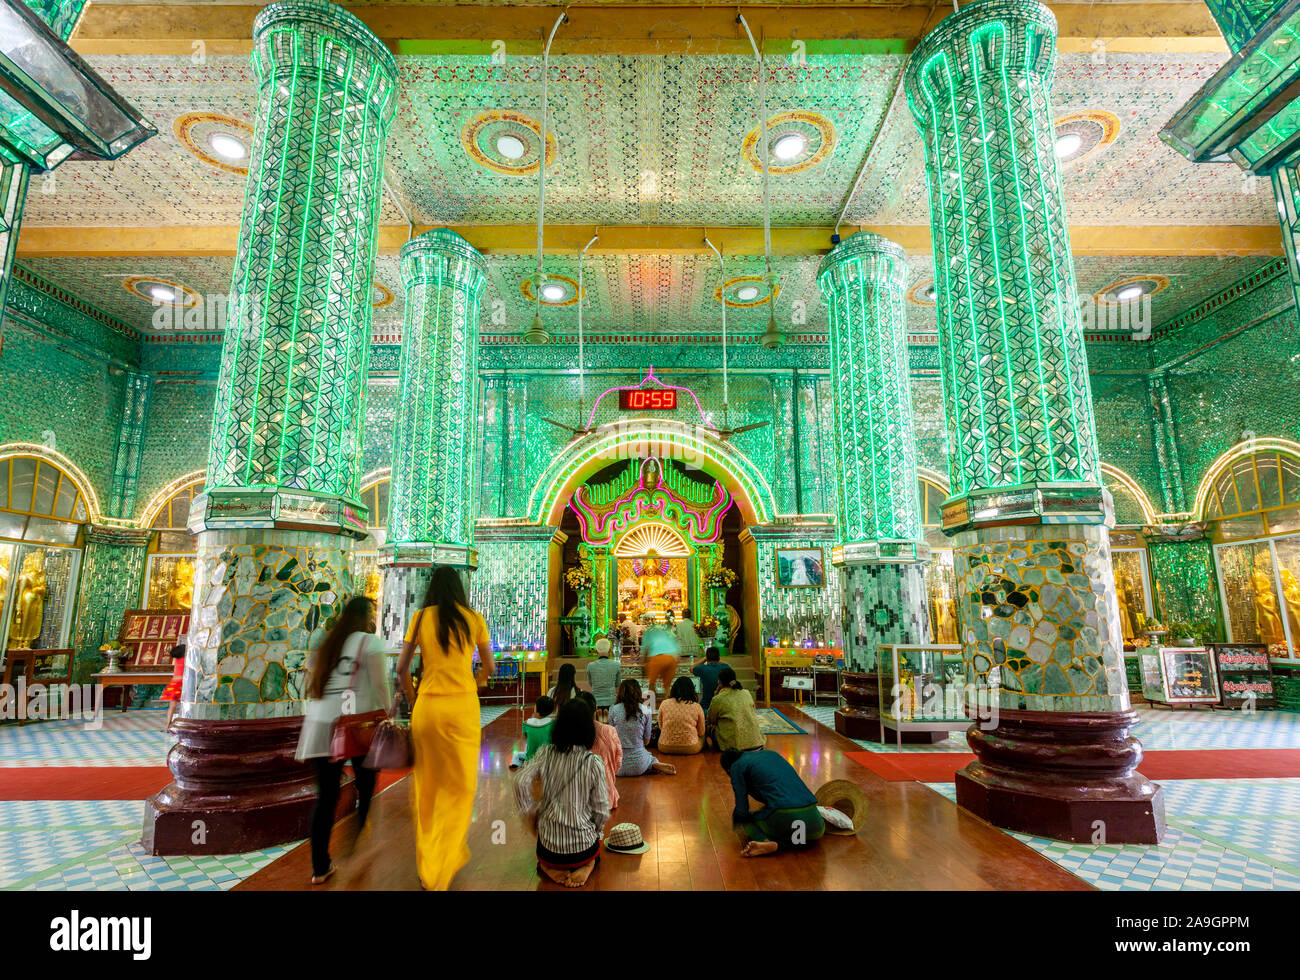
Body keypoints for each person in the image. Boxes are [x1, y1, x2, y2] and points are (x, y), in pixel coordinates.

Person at [396, 566, 494, 891]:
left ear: (433, 588)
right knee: (461, 788)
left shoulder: (421, 617)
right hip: (462, 708)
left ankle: (429, 867)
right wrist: (472, 685)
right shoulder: (474, 618)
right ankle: (445, 862)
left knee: (427, 788)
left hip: (428, 707)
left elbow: (400, 669)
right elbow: (489, 667)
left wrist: (413, 698)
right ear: (460, 588)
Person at [296, 596, 390, 885]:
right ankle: (357, 839)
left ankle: (319, 866)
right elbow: (380, 684)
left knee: (326, 797)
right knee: (366, 784)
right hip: (356, 725)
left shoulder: (328, 642)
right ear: (365, 616)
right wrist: (388, 717)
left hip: (320, 723)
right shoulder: (369, 642)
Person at [514, 698, 610, 888]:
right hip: (583, 849)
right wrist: (596, 832)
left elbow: (519, 780)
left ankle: (548, 868)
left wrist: (530, 812)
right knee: (597, 846)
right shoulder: (593, 762)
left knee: (543, 856)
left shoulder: (545, 753)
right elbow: (601, 810)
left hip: (549, 850)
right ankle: (589, 864)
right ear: (588, 729)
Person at [721, 748, 825, 857]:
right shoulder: (771, 753)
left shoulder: (736, 766)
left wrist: (737, 819)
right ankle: (781, 845)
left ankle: (764, 841)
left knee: (747, 820)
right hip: (815, 823)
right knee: (804, 837)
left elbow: (742, 809)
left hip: (786, 815)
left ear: (728, 770)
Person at [609, 679, 676, 776]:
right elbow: (646, 741)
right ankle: (652, 764)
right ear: (639, 692)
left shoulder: (613, 710)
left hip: (617, 766)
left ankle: (651, 765)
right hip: (639, 765)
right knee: (649, 756)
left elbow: (611, 739)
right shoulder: (645, 710)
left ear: (620, 693)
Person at [577, 690, 621, 809]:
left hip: (576, 802)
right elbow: (617, 765)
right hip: (606, 799)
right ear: (596, 708)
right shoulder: (610, 731)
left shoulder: (567, 734)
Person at [705, 666, 765, 753]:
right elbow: (753, 711)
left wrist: (715, 695)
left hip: (733, 748)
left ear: (719, 682)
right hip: (757, 744)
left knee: (708, 727)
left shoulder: (718, 699)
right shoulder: (746, 693)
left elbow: (711, 720)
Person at [657, 676, 705, 755]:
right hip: (691, 748)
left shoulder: (664, 703)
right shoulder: (696, 706)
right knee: (704, 737)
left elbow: (661, 727)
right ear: (692, 690)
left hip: (664, 746)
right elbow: (701, 732)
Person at [510, 694, 555, 769]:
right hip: (548, 759)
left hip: (532, 759)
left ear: (536, 708)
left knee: (516, 755)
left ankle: (517, 765)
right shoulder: (553, 723)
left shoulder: (526, 723)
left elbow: (526, 738)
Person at [640, 618, 681, 697]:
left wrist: (644, 664)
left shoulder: (648, 631)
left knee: (652, 684)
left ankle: (651, 705)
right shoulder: (669, 632)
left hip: (657, 658)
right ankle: (668, 703)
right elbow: (677, 647)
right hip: (672, 658)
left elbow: (645, 648)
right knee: (667, 686)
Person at [586, 637, 621, 721]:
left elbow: (590, 683)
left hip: (596, 702)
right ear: (609, 651)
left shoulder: (590, 666)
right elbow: (617, 684)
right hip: (611, 701)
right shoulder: (616, 665)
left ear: (596, 651)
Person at [692, 645, 726, 714]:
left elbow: (691, 668)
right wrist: (718, 660)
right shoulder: (725, 667)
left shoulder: (703, 668)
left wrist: (704, 659)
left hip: (706, 706)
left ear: (707, 658)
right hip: (723, 707)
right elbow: (729, 665)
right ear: (719, 657)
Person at [160, 643, 186, 731]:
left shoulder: (176, 660)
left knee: (172, 706)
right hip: (181, 684)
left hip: (173, 683)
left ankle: (168, 725)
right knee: (185, 704)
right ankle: (183, 724)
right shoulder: (185, 659)